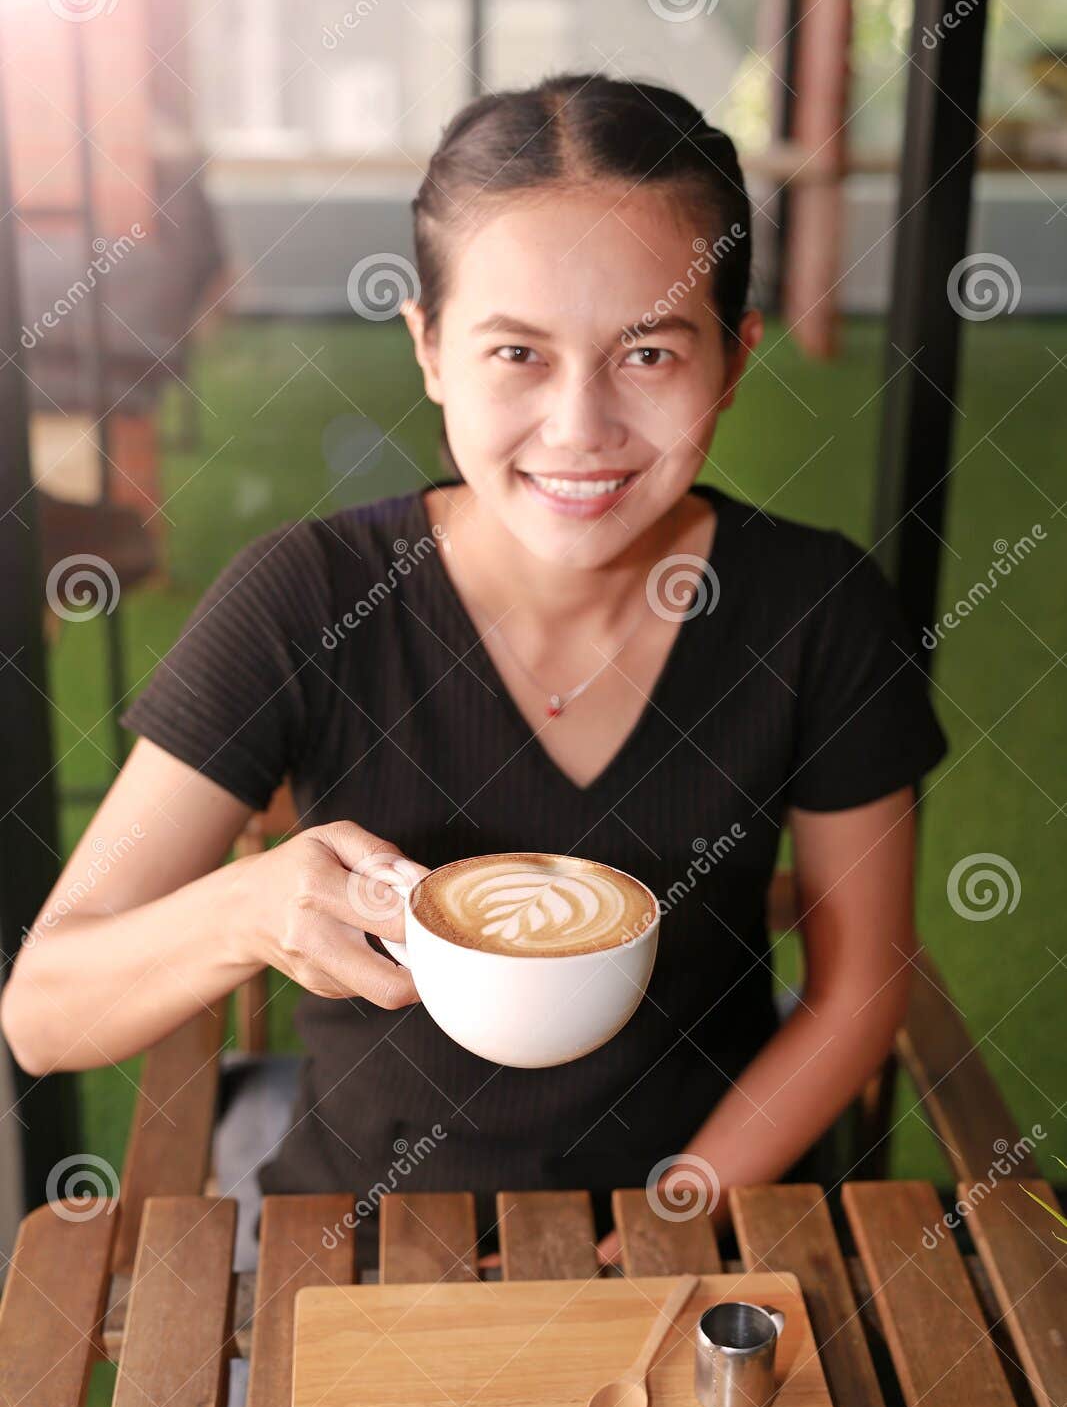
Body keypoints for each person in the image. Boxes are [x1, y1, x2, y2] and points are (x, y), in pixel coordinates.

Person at [1, 71, 948, 1272]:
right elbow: (42, 1009)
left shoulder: (815, 611)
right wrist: (241, 910)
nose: (577, 426)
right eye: (516, 351)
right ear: (430, 347)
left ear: (733, 356)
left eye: (647, 352)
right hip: (363, 1246)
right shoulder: (305, 598)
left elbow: (857, 990)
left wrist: (668, 1218)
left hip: (702, 1228)